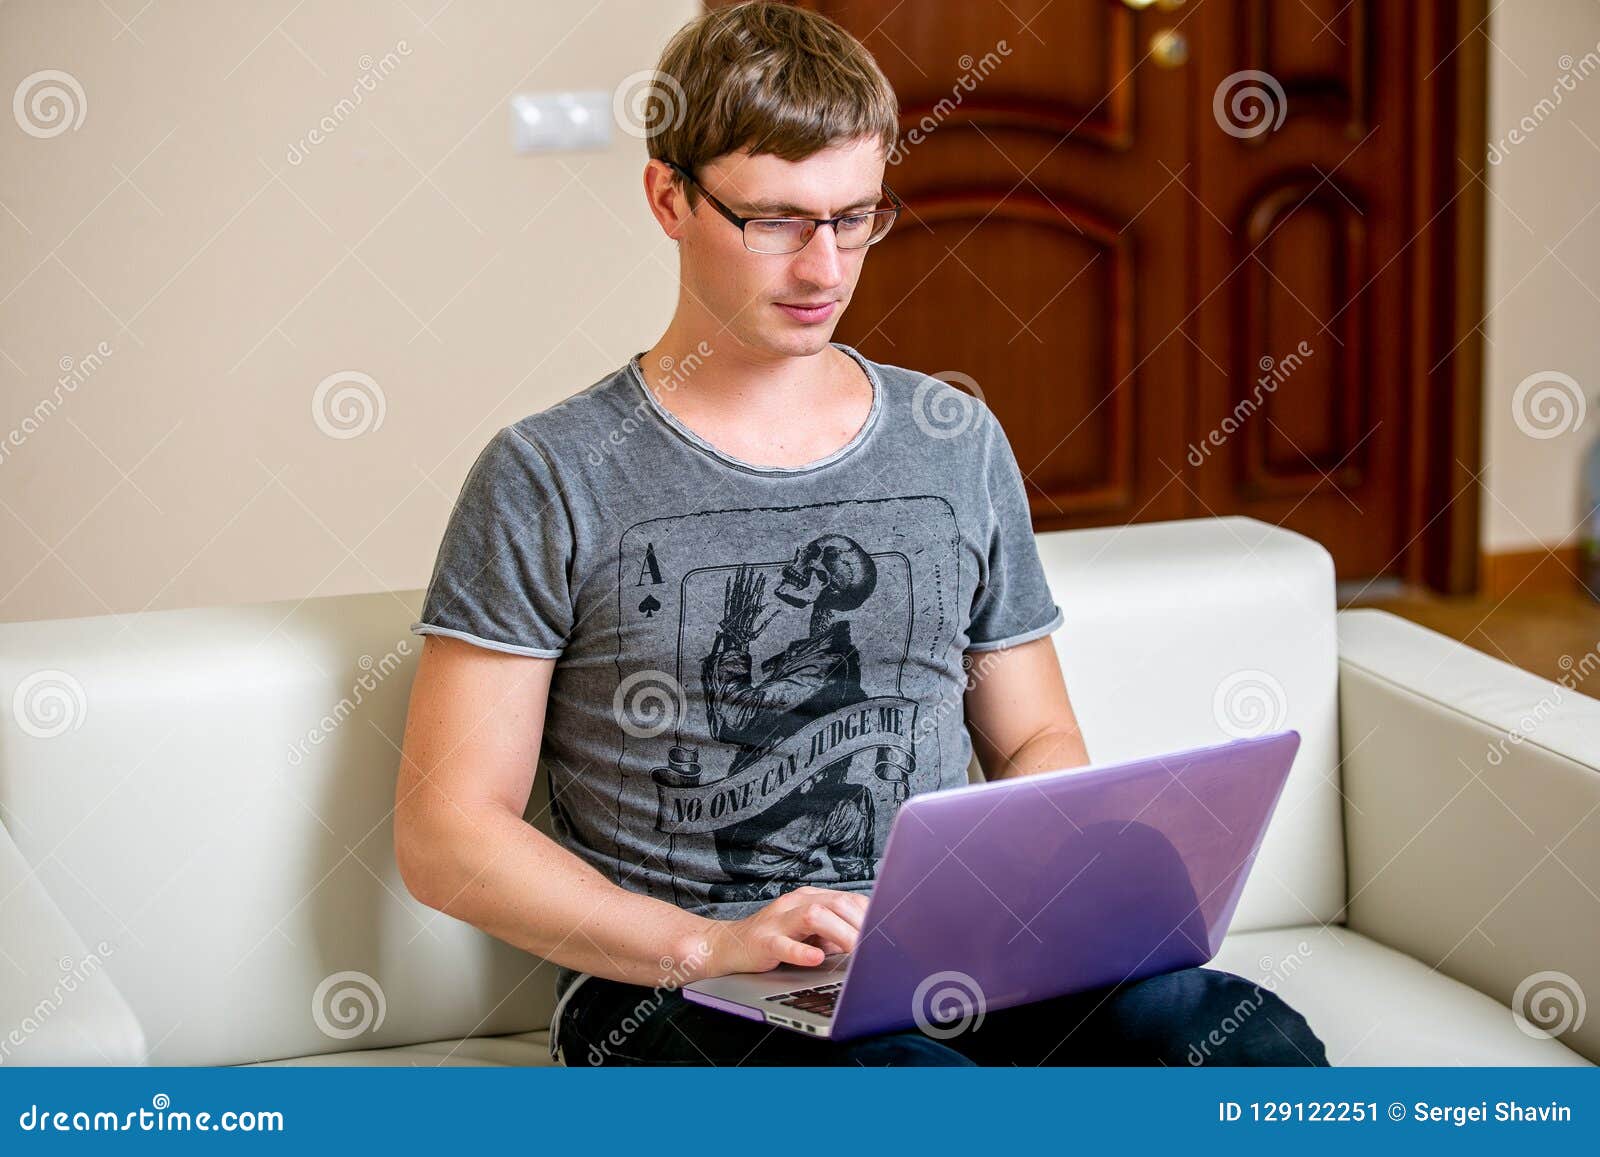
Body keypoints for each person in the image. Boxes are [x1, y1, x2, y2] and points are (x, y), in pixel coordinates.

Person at [394, 0, 1329, 1068]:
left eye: (854, 217)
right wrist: (708, 943)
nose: (824, 269)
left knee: (1244, 1040)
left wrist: (1054, 889)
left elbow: (1034, 735)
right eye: (776, 221)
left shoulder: (951, 438)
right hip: (674, 988)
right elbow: (447, 833)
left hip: (945, 951)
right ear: (669, 198)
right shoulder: (548, 473)